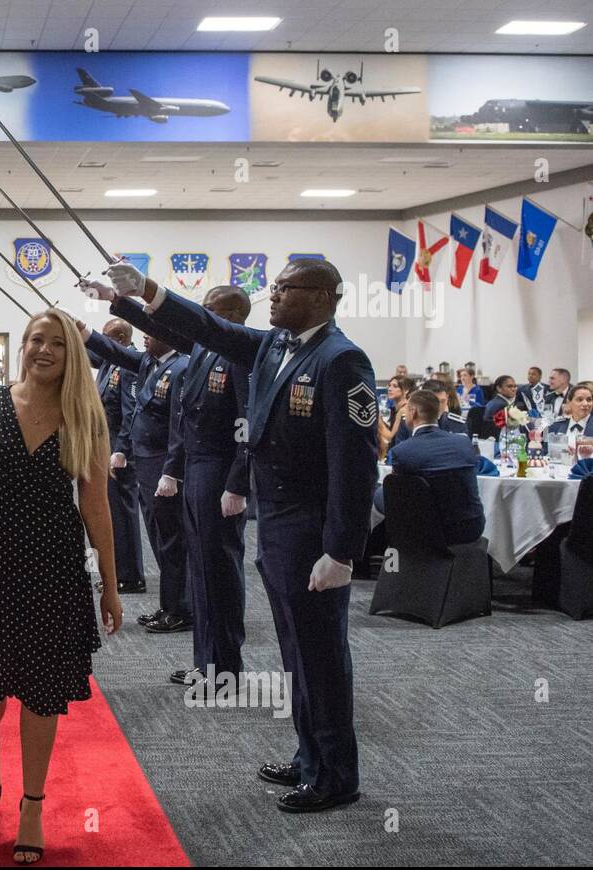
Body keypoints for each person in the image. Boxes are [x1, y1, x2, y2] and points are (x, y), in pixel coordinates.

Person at [92, 255, 377, 813]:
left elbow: (356, 462)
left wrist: (341, 549)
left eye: (286, 288)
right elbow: (207, 327)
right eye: (274, 287)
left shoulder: (341, 360)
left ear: (324, 296)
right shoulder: (274, 346)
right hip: (276, 524)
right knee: (296, 648)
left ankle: (337, 774)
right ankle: (309, 754)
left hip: (311, 526)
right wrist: (145, 292)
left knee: (319, 651)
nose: (274, 296)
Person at [0, 309, 121, 865]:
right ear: (22, 346)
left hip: (55, 563)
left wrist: (110, 582)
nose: (45, 349)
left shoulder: (85, 414)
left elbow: (96, 503)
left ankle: (32, 803)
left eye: (56, 342)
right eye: (35, 340)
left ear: (71, 352)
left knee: (41, 687)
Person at [145, 285, 252, 686]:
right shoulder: (203, 351)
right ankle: (206, 662)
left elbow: (247, 424)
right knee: (202, 571)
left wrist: (238, 483)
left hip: (219, 472)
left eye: (209, 310)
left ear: (234, 315)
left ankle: (225, 668)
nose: (200, 316)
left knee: (220, 570)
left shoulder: (239, 355)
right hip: (196, 468)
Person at [84, 322, 191, 632]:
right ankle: (168, 604)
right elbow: (140, 413)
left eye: (151, 330)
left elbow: (176, 425)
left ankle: (181, 607)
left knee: (172, 539)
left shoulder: (180, 367)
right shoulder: (151, 364)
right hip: (145, 458)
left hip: (161, 461)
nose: (145, 334)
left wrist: (170, 470)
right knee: (159, 536)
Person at [84, 317, 145, 593]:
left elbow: (131, 411)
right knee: (110, 510)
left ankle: (129, 575)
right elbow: (89, 354)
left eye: (106, 338)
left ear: (120, 339)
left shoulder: (129, 365)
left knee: (122, 511)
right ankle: (116, 569)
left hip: (118, 446)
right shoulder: (110, 361)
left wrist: (121, 450)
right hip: (104, 443)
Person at [377, 389, 485, 544]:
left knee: (381, 494)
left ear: (413, 412)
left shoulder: (402, 452)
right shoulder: (464, 443)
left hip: (427, 531)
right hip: (471, 527)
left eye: (406, 410)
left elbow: (397, 500)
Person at [548, 382, 593, 453]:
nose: (585, 404)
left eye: (589, 400)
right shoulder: (555, 425)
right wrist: (558, 450)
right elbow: (544, 450)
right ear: (569, 402)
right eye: (580, 399)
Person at [378, 375, 415, 460]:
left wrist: (378, 421)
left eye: (395, 386)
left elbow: (390, 437)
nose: (390, 389)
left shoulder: (403, 410)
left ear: (406, 390)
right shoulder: (396, 408)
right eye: (389, 385)